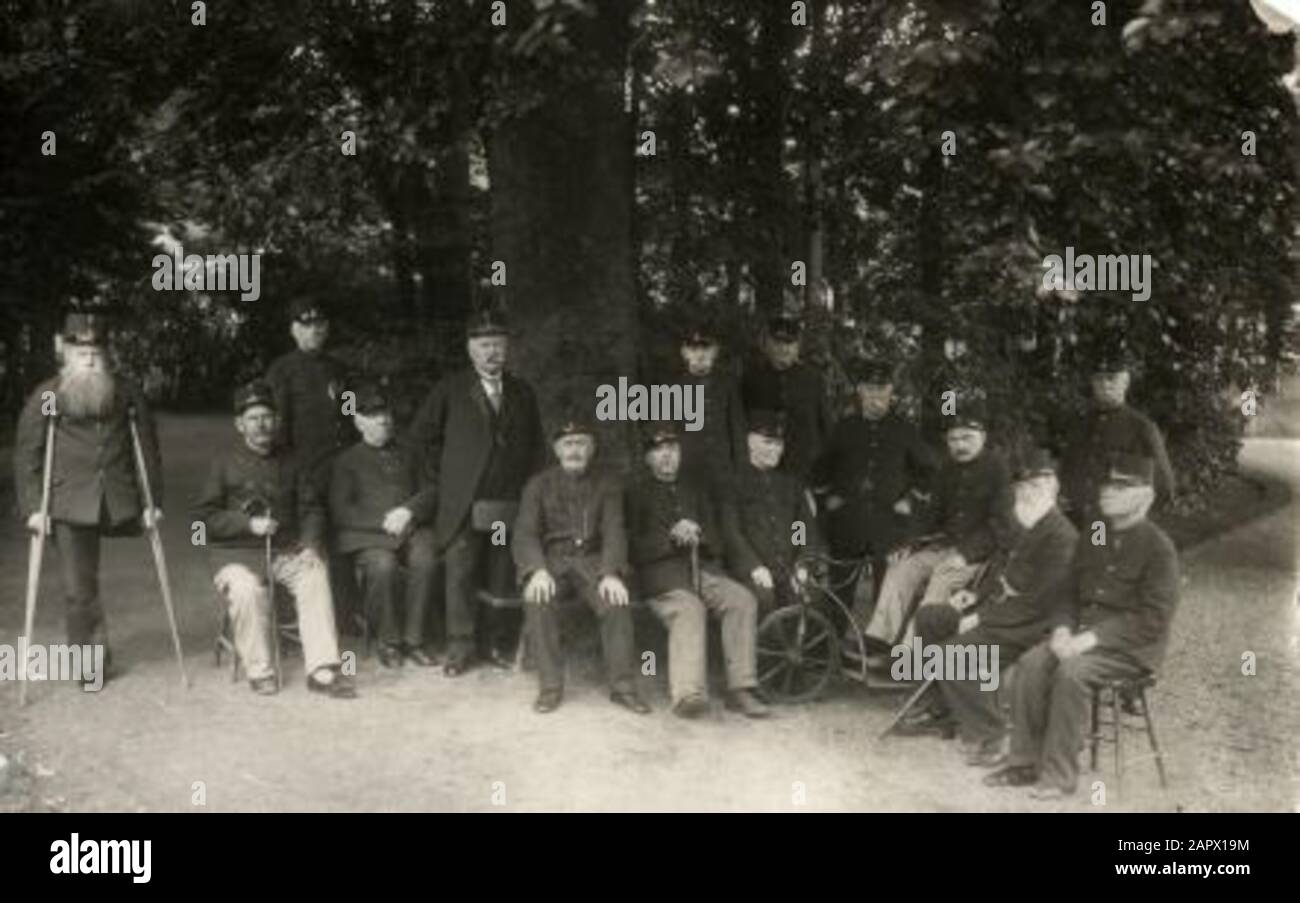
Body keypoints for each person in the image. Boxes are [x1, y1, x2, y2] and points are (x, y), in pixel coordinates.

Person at [985, 455, 1180, 800]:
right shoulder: (1098, 533)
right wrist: (1061, 629)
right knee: (1031, 663)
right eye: (1108, 485)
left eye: (1121, 487)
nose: (1107, 492)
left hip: (1129, 650)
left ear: (1145, 496)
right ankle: (1024, 763)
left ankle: (1059, 775)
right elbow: (1069, 592)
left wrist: (1090, 638)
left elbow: (1153, 618)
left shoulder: (1158, 548)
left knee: (1071, 673)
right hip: (1079, 637)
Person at [898, 448, 1078, 764]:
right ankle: (943, 709)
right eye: (1022, 489)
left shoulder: (1061, 538)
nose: (1027, 494)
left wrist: (980, 618)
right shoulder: (1025, 526)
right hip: (1002, 613)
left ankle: (992, 736)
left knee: (953, 654)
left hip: (1031, 626)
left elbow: (1038, 602)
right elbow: (1003, 574)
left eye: (1036, 487)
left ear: (1053, 490)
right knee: (929, 618)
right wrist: (974, 597)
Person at [13, 311, 162, 688]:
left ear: (106, 353)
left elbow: (146, 448)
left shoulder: (126, 392)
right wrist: (33, 507)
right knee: (79, 588)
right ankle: (89, 660)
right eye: (81, 351)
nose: (90, 358)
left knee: (86, 585)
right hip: (68, 502)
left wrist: (151, 502)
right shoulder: (48, 396)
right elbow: (28, 453)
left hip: (116, 497)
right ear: (65, 351)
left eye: (96, 350)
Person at [192, 381, 355, 698]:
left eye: (267, 416)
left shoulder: (293, 461)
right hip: (235, 554)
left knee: (314, 573)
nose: (262, 424)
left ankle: (322, 668)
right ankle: (259, 669)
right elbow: (204, 517)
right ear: (240, 425)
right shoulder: (222, 463)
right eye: (253, 418)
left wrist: (309, 543)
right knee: (247, 589)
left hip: (284, 549)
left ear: (276, 421)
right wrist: (246, 524)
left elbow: (311, 508)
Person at [408, 309, 545, 676]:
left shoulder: (522, 392)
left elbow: (535, 447)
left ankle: (496, 643)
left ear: (508, 348)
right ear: (470, 349)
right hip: (463, 505)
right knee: (461, 569)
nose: (492, 353)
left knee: (502, 570)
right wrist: (446, 480)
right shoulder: (449, 390)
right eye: (484, 345)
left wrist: (530, 494)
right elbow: (423, 438)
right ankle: (461, 647)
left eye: (498, 345)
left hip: (505, 506)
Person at [625, 423, 768, 719]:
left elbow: (717, 540)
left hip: (701, 569)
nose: (667, 456)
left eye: (673, 450)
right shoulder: (635, 493)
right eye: (659, 451)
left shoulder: (695, 491)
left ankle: (740, 688)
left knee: (742, 600)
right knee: (689, 609)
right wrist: (671, 537)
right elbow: (631, 547)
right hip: (662, 576)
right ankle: (688, 693)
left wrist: (698, 534)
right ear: (648, 458)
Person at [860, 401, 1016, 665]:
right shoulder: (947, 469)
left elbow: (1001, 525)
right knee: (902, 568)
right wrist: (908, 545)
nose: (960, 445)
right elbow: (930, 515)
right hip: (943, 546)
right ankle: (880, 640)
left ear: (983, 437)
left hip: (978, 556)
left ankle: (912, 653)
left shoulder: (997, 469)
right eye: (953, 439)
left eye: (967, 437)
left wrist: (966, 554)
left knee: (943, 576)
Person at [512, 417, 649, 715]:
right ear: (557, 450)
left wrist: (611, 572)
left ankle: (622, 687)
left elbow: (615, 529)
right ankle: (550, 687)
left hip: (593, 561)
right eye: (568, 444)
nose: (575, 450)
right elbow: (525, 532)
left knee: (615, 603)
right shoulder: (538, 484)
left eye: (581, 444)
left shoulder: (608, 484)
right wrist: (536, 570)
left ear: (592, 449)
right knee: (538, 598)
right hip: (552, 561)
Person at [811, 358, 936, 613]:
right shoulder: (844, 428)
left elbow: (929, 471)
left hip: (890, 526)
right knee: (838, 594)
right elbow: (820, 469)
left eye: (882, 390)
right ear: (860, 391)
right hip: (848, 523)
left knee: (887, 595)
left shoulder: (905, 429)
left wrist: (910, 500)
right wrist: (828, 500)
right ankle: (831, 645)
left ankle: (881, 648)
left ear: (890, 391)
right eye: (870, 389)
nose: (876, 396)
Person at [329, 384, 439, 668]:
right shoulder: (346, 461)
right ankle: (388, 641)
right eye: (374, 415)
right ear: (358, 422)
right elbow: (342, 511)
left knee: (426, 559)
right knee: (383, 566)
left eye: (386, 413)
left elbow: (432, 489)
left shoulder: (410, 452)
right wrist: (386, 522)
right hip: (368, 537)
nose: (383, 420)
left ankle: (415, 640)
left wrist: (409, 511)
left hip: (412, 528)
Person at [723, 409, 825, 614]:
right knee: (763, 599)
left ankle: (806, 647)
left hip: (788, 570)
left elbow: (801, 528)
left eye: (779, 444)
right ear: (750, 442)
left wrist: (802, 565)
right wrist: (753, 567)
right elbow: (732, 533)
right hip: (752, 572)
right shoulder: (732, 484)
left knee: (812, 598)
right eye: (767, 442)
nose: (775, 450)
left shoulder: (790, 485)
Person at [1058, 348, 1175, 523]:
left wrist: (1131, 521)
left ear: (1126, 381)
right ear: (1092, 383)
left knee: (1098, 546)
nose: (1105, 385)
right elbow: (1066, 472)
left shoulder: (1141, 428)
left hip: (1112, 527)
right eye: (1099, 379)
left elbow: (1164, 487)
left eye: (1112, 378)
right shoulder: (1080, 425)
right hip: (1076, 523)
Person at [264, 297, 351, 480]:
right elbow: (279, 424)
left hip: (339, 464)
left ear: (327, 328)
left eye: (319, 325)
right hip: (302, 467)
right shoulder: (281, 370)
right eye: (306, 326)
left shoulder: (339, 369)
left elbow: (348, 414)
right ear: (294, 330)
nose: (314, 331)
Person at [740, 313, 833, 480]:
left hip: (804, 467)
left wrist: (826, 467)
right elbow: (740, 422)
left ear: (798, 347)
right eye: (778, 343)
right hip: (763, 468)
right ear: (766, 345)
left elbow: (825, 424)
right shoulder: (751, 378)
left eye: (790, 343)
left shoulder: (813, 379)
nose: (784, 349)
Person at [669, 316, 747, 489]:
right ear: (684, 353)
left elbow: (737, 429)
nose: (700, 354)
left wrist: (741, 471)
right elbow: (672, 432)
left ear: (715, 351)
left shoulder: (727, 384)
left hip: (723, 472)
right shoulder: (674, 387)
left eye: (706, 348)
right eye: (693, 348)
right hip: (689, 472)